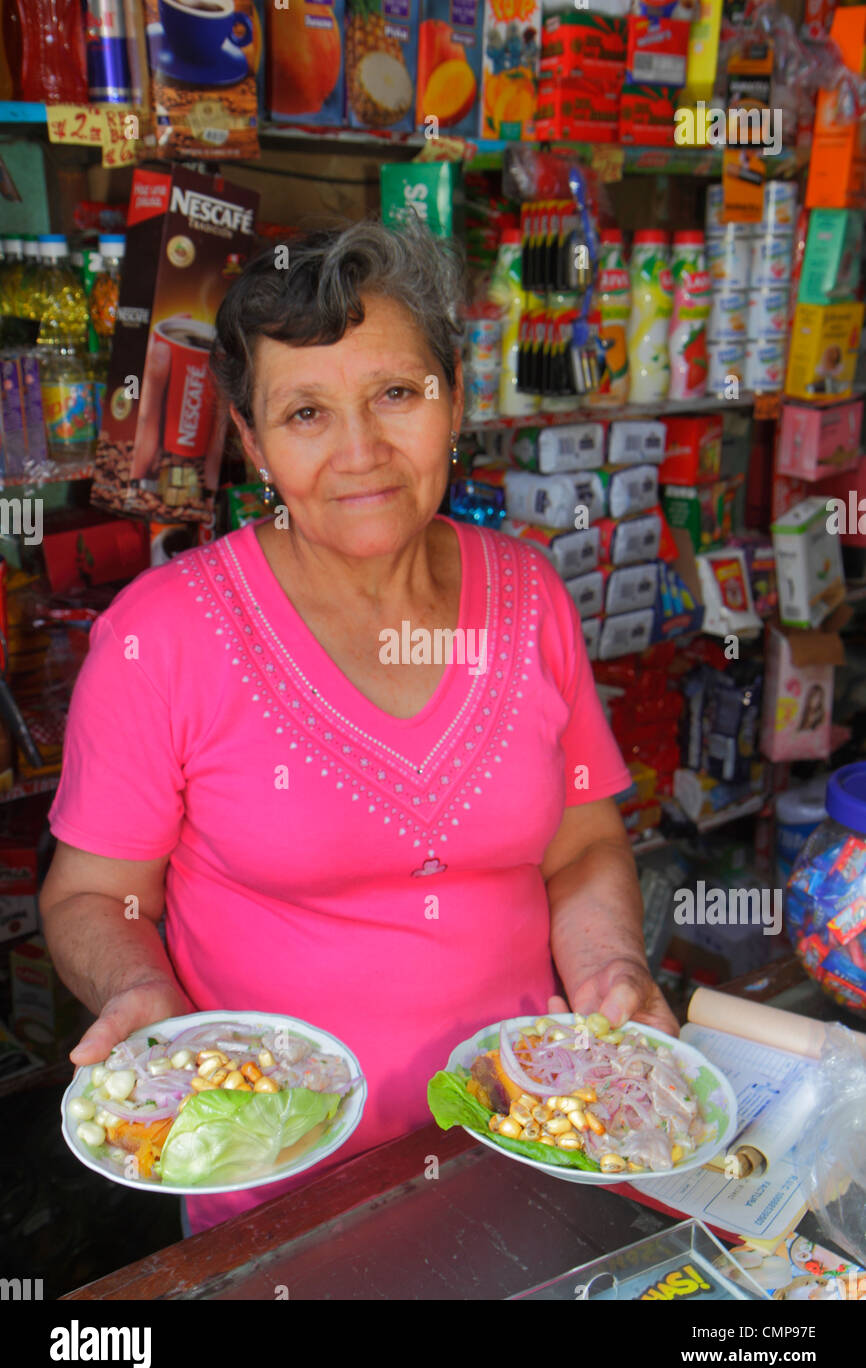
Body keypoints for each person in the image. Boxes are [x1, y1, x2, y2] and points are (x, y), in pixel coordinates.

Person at [40, 219, 677, 1237]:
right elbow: (91, 895)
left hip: (524, 1132)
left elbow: (583, 841)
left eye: (394, 394)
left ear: (453, 400)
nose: (360, 453)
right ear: (250, 442)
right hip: (282, 1180)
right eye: (304, 412)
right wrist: (141, 993)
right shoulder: (160, 637)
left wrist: (609, 970)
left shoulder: (526, 594)